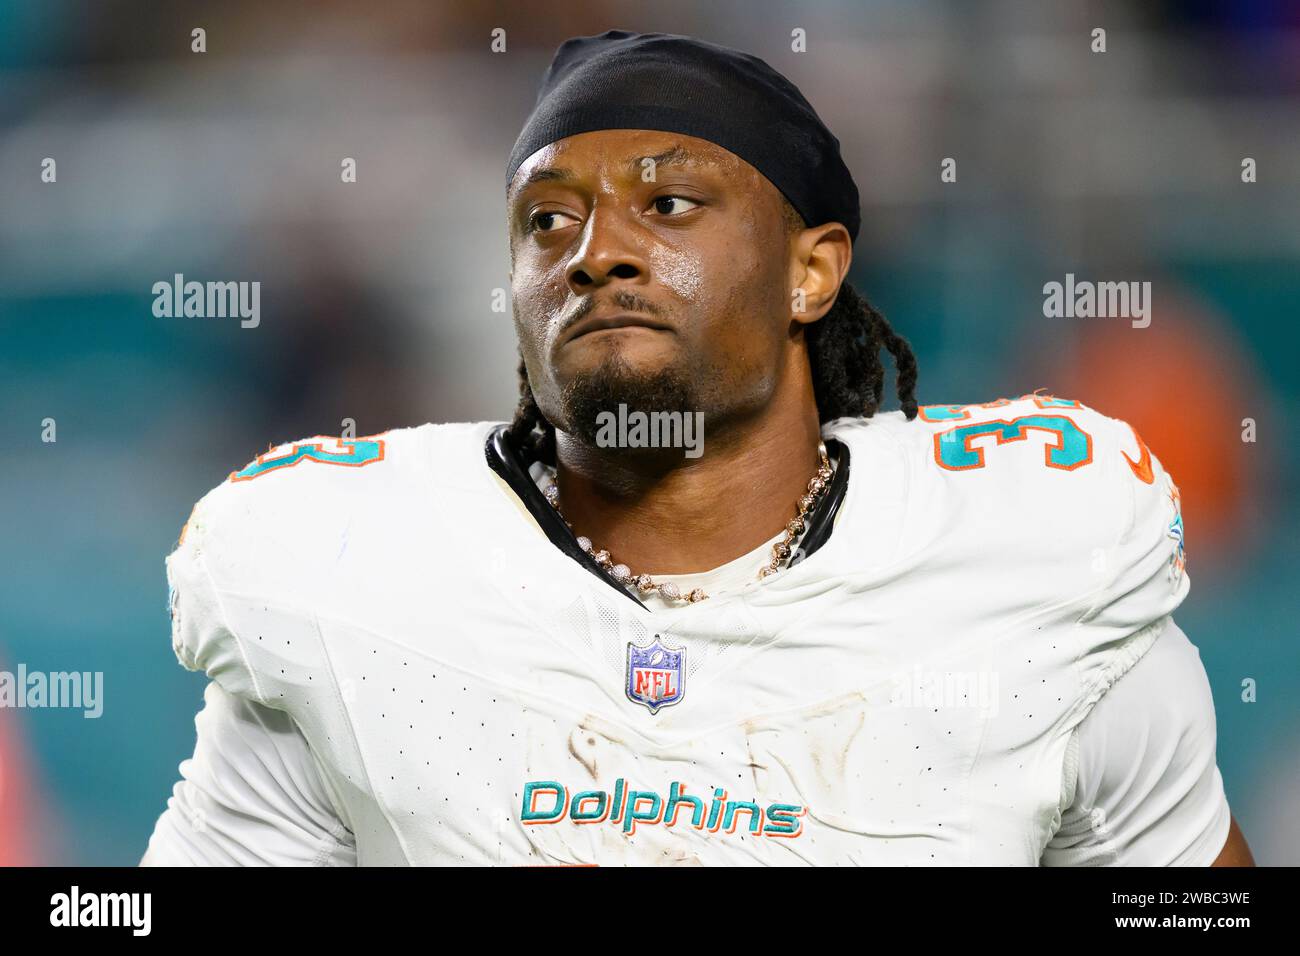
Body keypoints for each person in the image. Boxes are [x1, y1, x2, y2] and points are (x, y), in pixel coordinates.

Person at [143, 30, 1252, 866]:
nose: (594, 253)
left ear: (809, 272)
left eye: (668, 203)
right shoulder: (352, 592)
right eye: (546, 221)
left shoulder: (1033, 588)